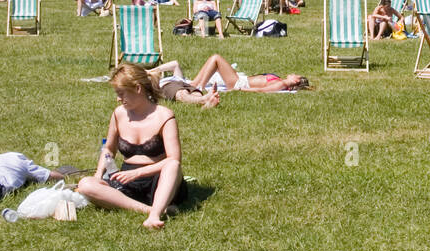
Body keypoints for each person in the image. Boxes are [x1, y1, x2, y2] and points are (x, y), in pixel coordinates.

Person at [76, 64, 189, 228]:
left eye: (121, 93)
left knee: (173, 165)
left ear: (137, 88)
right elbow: (109, 149)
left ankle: (154, 216)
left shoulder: (164, 116)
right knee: (86, 184)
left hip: (159, 179)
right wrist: (98, 175)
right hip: (127, 181)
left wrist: (138, 172)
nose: (118, 98)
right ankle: (149, 210)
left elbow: (174, 159)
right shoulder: (118, 114)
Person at [188, 54, 311, 93]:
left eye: (296, 75)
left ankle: (200, 87)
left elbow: (262, 90)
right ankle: (195, 83)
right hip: (241, 79)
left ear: (296, 80)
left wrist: (242, 89)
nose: (293, 73)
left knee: (216, 58)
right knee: (213, 59)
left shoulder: (282, 84)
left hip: (238, 83)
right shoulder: (281, 81)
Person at [145, 60, 222, 108]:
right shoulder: (160, 83)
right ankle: (205, 99)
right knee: (181, 93)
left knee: (196, 94)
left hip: (185, 83)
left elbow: (175, 64)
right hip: (168, 85)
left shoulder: (177, 77)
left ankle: (206, 104)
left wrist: (150, 71)